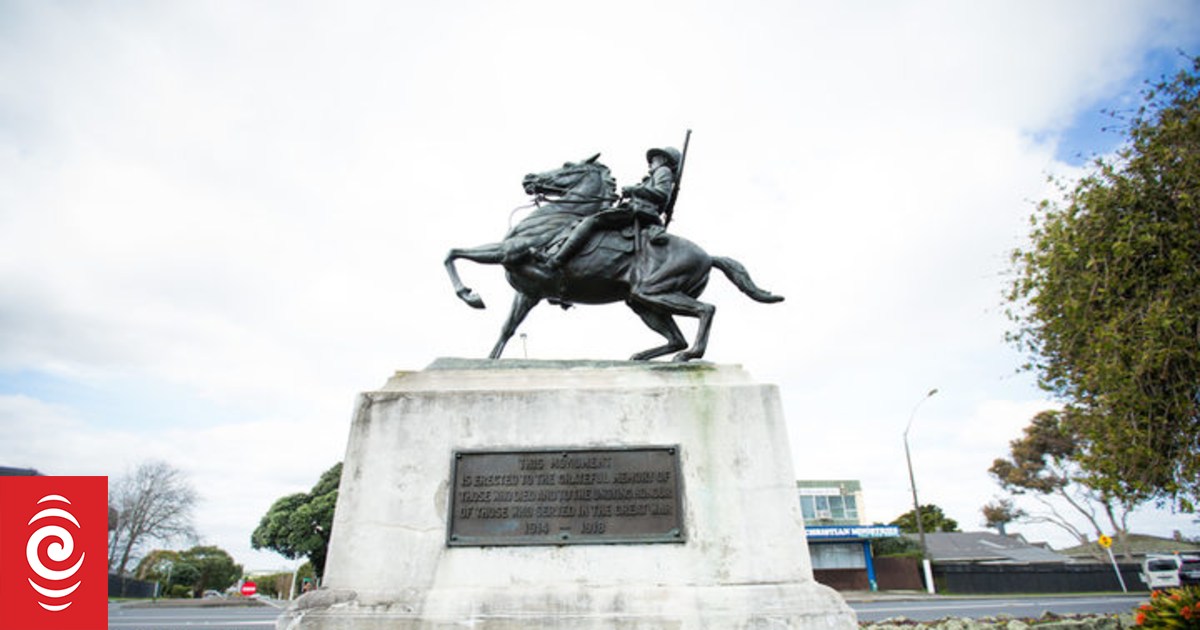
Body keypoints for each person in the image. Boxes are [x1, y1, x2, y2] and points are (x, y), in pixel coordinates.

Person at [545, 146, 680, 269]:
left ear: (663, 160)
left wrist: (634, 190)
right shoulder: (654, 176)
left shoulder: (663, 171)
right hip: (636, 209)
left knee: (591, 221)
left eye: (654, 159)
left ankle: (556, 260)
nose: (650, 163)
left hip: (640, 211)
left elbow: (662, 194)